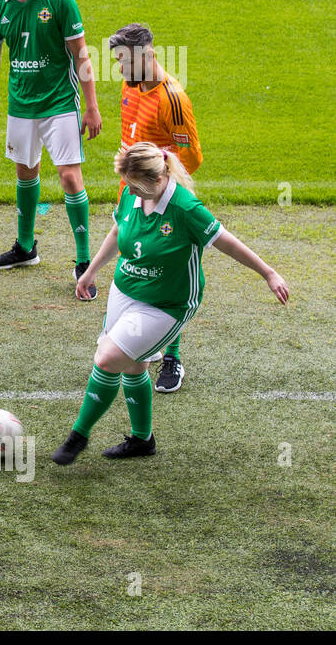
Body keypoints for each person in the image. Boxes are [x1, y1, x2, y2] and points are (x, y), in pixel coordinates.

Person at [51, 143, 288, 465]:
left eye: (136, 185)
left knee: (107, 359)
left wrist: (268, 273)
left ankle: (78, 436)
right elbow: (118, 229)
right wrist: (91, 271)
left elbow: (226, 242)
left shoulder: (186, 209)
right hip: (126, 290)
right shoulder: (133, 194)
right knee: (134, 365)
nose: (130, 191)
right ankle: (141, 439)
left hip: (167, 303)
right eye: (128, 185)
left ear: (158, 178)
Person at [0, 0, 102, 297]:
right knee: (25, 173)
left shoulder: (60, 0)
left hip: (60, 102)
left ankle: (84, 262)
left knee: (69, 178)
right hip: (21, 105)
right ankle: (26, 247)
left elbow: (82, 56)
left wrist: (91, 106)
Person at [109, 23, 203, 391]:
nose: (118, 69)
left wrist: (161, 190)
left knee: (166, 274)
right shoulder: (130, 85)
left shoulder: (172, 98)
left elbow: (191, 156)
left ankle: (172, 358)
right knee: (134, 265)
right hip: (130, 196)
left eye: (123, 61)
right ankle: (135, 342)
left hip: (162, 202)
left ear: (145, 56)